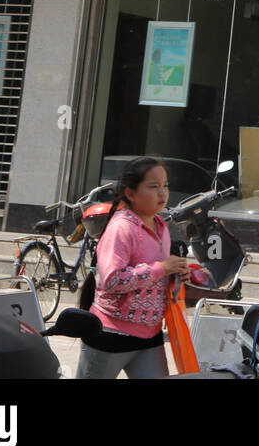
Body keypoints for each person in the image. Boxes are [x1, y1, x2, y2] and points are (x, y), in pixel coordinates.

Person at [75, 156, 189, 379]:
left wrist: (179, 274)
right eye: (153, 186)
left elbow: (158, 276)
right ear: (130, 193)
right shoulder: (121, 228)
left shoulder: (161, 226)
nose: (162, 193)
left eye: (165, 186)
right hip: (110, 334)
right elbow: (112, 280)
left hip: (151, 335)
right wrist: (162, 268)